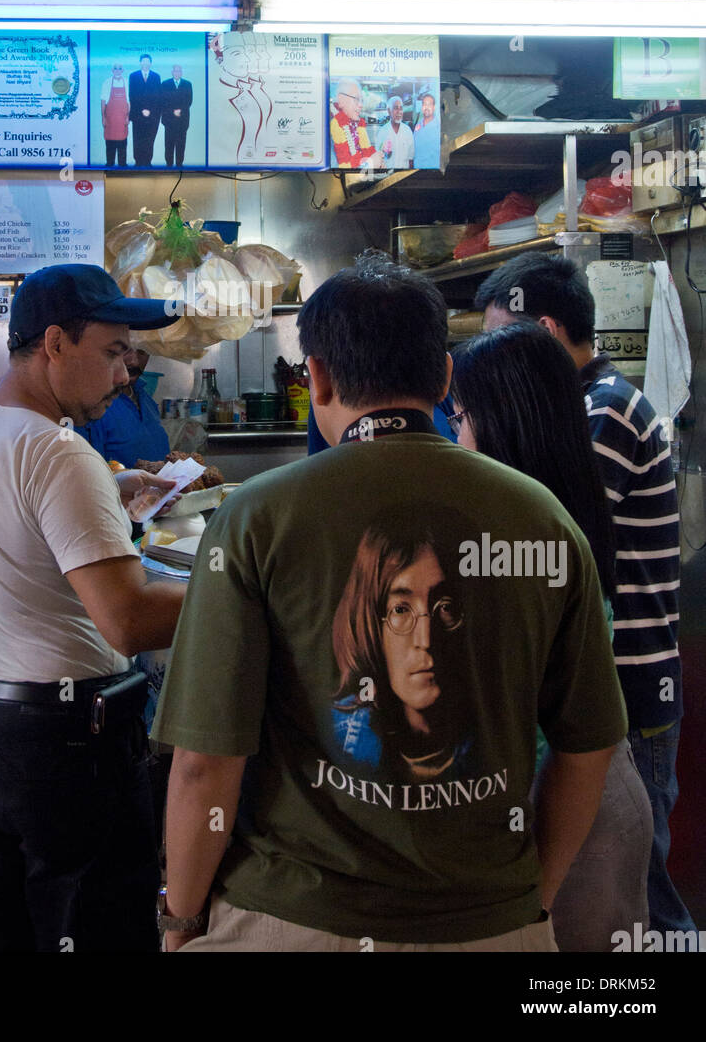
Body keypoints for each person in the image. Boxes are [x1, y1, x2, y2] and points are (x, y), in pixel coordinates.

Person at [153, 257, 625, 953]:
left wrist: (181, 917)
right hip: (488, 922)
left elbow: (203, 764)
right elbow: (587, 749)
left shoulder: (256, 518)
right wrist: (532, 901)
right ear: (442, 376)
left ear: (315, 376)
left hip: (294, 922)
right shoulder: (542, 518)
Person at [0, 264, 186, 952]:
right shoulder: (60, 456)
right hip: (61, 746)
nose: (125, 374)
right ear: (55, 343)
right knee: (100, 933)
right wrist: (249, 585)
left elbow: (0, 520)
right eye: (112, 352)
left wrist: (113, 489)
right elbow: (128, 619)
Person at [473, 251, 695, 939]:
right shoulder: (585, 403)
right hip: (604, 683)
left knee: (635, 886)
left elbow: (547, 525)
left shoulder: (606, 410)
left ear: (541, 331)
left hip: (627, 684)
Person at [450, 321, 654, 951]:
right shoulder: (563, 511)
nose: (455, 436)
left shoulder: (526, 541)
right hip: (590, 792)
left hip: (568, 805)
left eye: (460, 416)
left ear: (501, 420)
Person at [331, 522, 474, 782]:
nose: (426, 639)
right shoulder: (332, 735)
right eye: (400, 609)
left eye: (445, 606)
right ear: (370, 623)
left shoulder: (495, 729)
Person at [78, 346, 170, 469]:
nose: (134, 361)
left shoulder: (147, 400)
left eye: (142, 351)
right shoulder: (93, 405)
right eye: (126, 349)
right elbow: (85, 473)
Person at [329, 79, 376, 168]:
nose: (361, 105)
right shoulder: (331, 127)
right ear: (341, 100)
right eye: (356, 99)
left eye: (362, 100)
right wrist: (371, 163)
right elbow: (342, 171)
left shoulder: (355, 124)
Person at [129, 53, 161, 167]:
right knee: (137, 138)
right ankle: (138, 162)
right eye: (143, 61)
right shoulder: (133, 76)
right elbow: (132, 95)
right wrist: (142, 109)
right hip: (138, 114)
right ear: (140, 63)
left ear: (150, 63)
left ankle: (148, 162)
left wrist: (150, 110)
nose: (146, 64)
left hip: (152, 115)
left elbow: (157, 96)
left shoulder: (156, 77)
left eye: (148, 62)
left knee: (149, 139)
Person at [160, 63, 193, 169]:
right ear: (172, 72)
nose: (177, 72)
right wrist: (172, 111)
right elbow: (163, 101)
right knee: (169, 144)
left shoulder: (188, 84)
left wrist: (180, 110)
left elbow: (189, 101)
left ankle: (179, 165)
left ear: (181, 72)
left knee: (181, 144)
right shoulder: (165, 84)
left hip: (182, 120)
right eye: (175, 71)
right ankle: (168, 165)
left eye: (179, 71)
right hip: (169, 120)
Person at [100, 62, 129, 168]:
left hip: (122, 120)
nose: (117, 70)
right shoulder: (107, 83)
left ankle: (123, 167)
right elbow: (103, 102)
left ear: (122, 70)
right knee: (110, 146)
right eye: (115, 68)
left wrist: (128, 116)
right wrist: (103, 117)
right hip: (110, 120)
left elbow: (129, 102)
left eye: (119, 68)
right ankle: (109, 166)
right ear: (112, 70)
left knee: (122, 145)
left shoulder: (127, 82)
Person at [379, 94, 415, 169]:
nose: (399, 112)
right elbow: (378, 159)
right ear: (389, 111)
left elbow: (411, 160)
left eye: (401, 108)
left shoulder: (408, 131)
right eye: (396, 108)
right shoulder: (382, 132)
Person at [411, 89, 440, 169]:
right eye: (424, 104)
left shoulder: (439, 127)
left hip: (433, 172)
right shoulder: (418, 125)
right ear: (421, 107)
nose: (426, 107)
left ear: (434, 107)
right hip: (417, 170)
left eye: (429, 104)